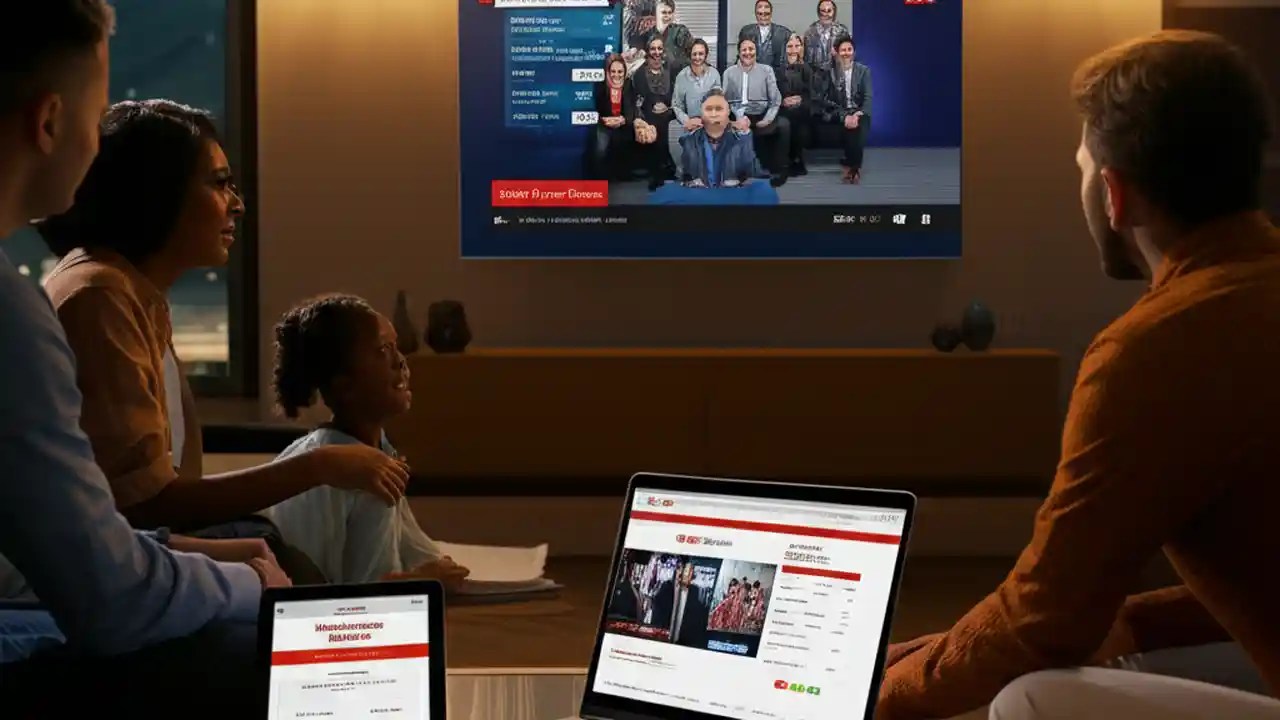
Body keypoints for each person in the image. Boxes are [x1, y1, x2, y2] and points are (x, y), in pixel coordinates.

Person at [877, 30, 1280, 720]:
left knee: (1029, 697)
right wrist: (1136, 622)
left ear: (1115, 196)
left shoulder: (1156, 349)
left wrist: (876, 694)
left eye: (1083, 168)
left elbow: (1043, 619)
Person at [0, 3, 289, 716]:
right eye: (95, 121)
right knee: (273, 647)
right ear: (49, 122)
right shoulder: (27, 313)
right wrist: (249, 584)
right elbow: (112, 597)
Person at [35, 99, 410, 583]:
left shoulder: (133, 294)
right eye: (218, 183)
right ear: (157, 191)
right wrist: (317, 466)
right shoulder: (99, 296)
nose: (237, 202)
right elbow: (141, 504)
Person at [264, 293, 471, 587]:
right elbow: (369, 596)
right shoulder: (361, 471)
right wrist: (425, 581)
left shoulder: (369, 451)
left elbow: (416, 548)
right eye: (383, 350)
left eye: (396, 348)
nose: (400, 361)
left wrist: (434, 569)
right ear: (344, 384)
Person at [722, 38, 789, 186]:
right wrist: (736, 119)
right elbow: (723, 101)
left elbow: (775, 100)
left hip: (761, 113)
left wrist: (768, 119)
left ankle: (779, 172)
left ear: (756, 52)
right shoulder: (729, 73)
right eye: (744, 50)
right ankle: (735, 172)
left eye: (751, 49)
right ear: (739, 52)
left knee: (784, 125)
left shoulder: (766, 70)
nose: (748, 53)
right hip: (737, 114)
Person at [678, 89, 763, 188]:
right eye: (709, 109)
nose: (714, 114)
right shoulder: (691, 140)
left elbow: (753, 173)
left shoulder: (741, 138)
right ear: (702, 112)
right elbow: (684, 177)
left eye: (719, 109)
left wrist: (746, 136)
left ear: (728, 112)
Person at [630, 36, 677, 190]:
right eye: (653, 49)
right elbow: (637, 100)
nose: (656, 52)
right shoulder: (639, 74)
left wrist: (668, 107)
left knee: (664, 123)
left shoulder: (670, 72)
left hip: (668, 113)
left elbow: (676, 97)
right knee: (654, 125)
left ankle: (664, 169)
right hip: (647, 115)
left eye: (659, 48)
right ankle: (660, 171)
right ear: (648, 51)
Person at [821, 36, 870, 184]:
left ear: (854, 52)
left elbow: (868, 98)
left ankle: (851, 167)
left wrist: (856, 115)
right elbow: (826, 100)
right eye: (843, 50)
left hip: (859, 112)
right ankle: (853, 168)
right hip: (837, 112)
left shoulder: (863, 71)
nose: (846, 53)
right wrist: (845, 116)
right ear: (836, 52)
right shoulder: (829, 72)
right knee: (849, 127)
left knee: (857, 127)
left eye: (849, 50)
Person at [587, 54, 636, 181]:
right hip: (605, 123)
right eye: (613, 71)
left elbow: (631, 108)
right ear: (608, 72)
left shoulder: (628, 84)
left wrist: (623, 120)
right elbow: (598, 108)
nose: (616, 75)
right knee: (600, 149)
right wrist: (607, 120)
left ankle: (621, 177)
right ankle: (597, 181)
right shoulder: (600, 85)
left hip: (622, 123)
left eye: (620, 71)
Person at [671, 39, 721, 150]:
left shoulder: (714, 74)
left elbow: (719, 102)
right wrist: (687, 121)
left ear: (706, 55)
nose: (697, 57)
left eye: (701, 54)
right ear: (690, 55)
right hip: (691, 129)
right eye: (694, 54)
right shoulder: (681, 76)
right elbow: (676, 105)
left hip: (712, 127)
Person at [778, 33, 816, 176]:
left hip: (803, 106)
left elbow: (812, 94)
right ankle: (794, 160)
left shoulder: (807, 68)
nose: (793, 49)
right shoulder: (778, 70)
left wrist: (799, 99)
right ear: (785, 49)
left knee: (797, 116)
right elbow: (774, 92)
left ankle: (794, 159)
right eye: (790, 46)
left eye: (796, 46)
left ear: (801, 48)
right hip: (783, 107)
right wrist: (783, 100)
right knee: (788, 117)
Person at [737, 0, 791, 74]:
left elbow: (787, 59)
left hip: (777, 77)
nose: (763, 16)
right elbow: (740, 57)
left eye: (766, 14)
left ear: (771, 13)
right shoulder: (746, 32)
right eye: (760, 14)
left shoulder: (783, 33)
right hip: (752, 75)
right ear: (756, 14)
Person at [646, 0, 694, 76]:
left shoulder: (681, 31)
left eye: (670, 12)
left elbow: (693, 54)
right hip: (654, 80)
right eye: (664, 12)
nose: (667, 16)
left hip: (678, 78)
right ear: (656, 14)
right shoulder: (648, 34)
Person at [802, 0, 850, 71]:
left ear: (834, 12)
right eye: (823, 11)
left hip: (836, 75)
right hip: (814, 76)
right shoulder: (809, 33)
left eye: (829, 11)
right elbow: (805, 58)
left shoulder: (842, 32)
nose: (826, 14)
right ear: (818, 12)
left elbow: (848, 57)